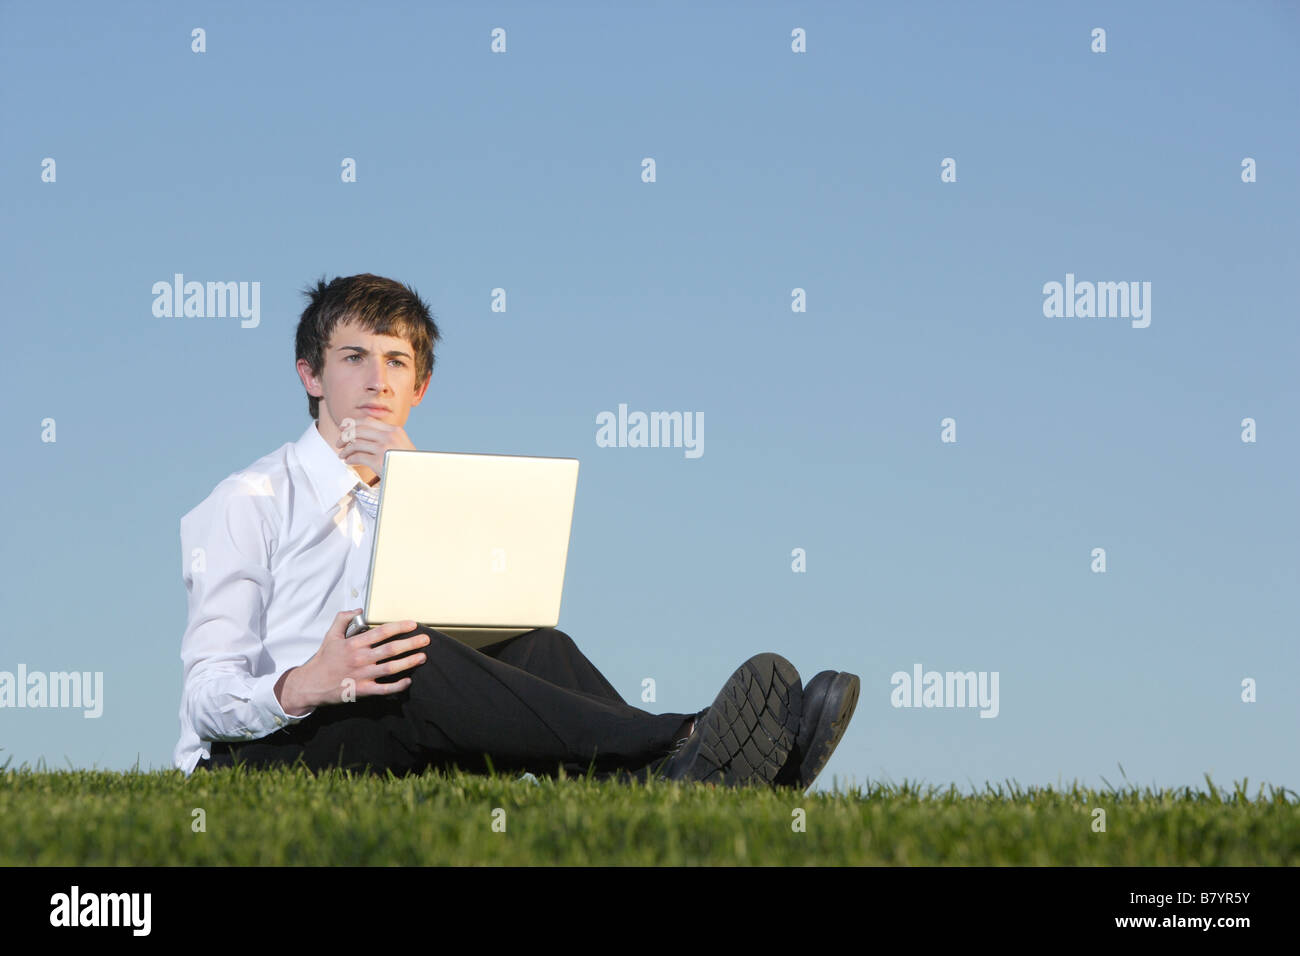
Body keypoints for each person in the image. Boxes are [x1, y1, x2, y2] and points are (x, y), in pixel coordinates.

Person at [174, 273, 860, 789]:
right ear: (311, 375)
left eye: (396, 361)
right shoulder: (249, 500)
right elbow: (206, 697)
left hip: (398, 735)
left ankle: (678, 777)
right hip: (263, 752)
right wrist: (306, 682)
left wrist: (415, 482)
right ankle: (686, 740)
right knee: (408, 655)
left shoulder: (435, 496)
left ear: (422, 387)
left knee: (537, 645)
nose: (376, 380)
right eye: (353, 357)